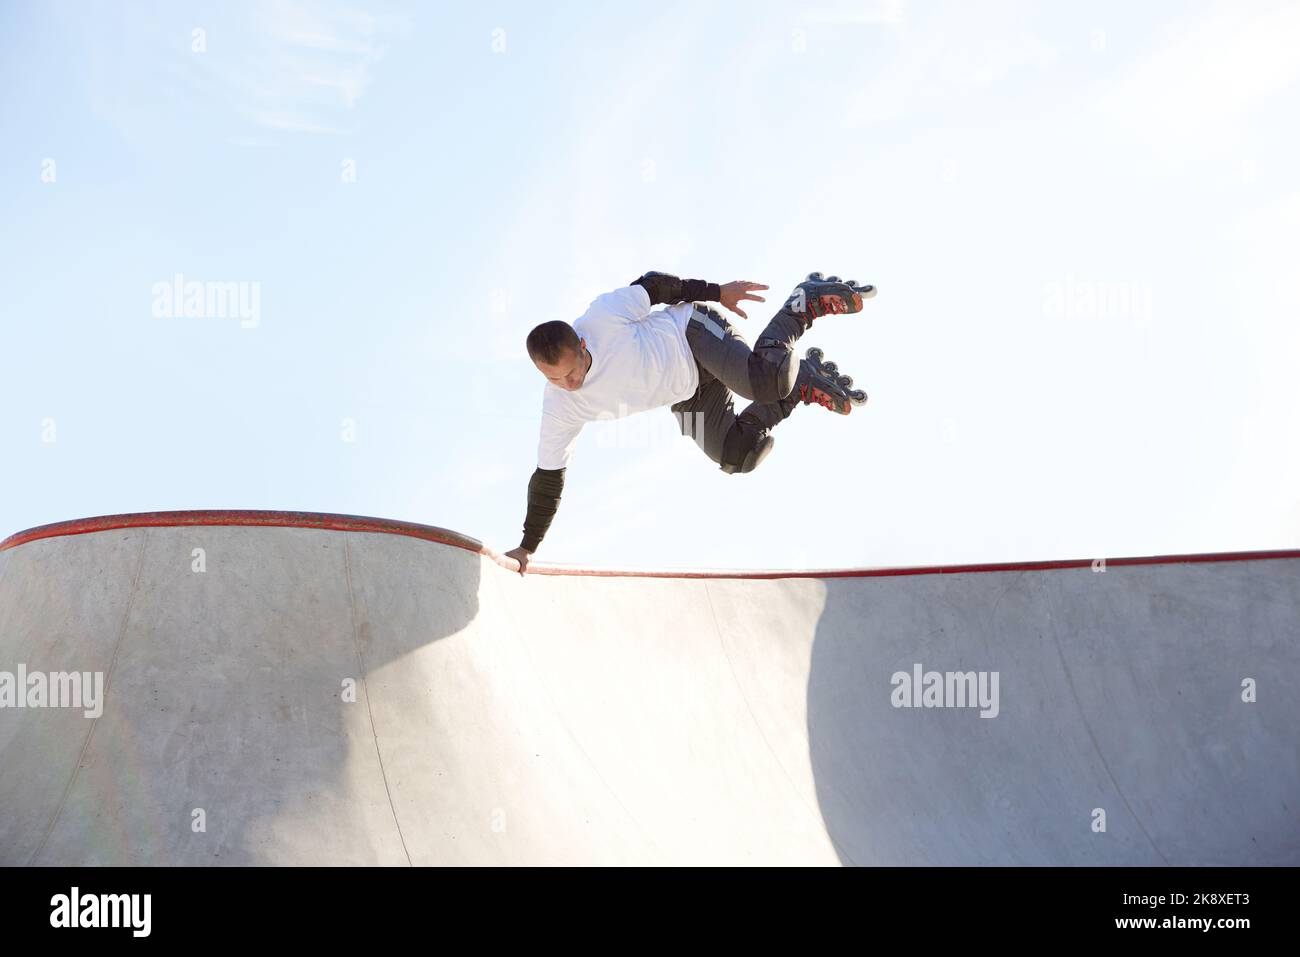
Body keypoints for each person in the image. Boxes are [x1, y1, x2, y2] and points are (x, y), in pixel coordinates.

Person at [504, 270, 875, 574]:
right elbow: (549, 477)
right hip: (687, 393)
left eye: (572, 372)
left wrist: (718, 292)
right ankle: (803, 381)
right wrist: (527, 546)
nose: (570, 384)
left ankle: (803, 304)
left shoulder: (602, 317)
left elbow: (656, 286)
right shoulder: (559, 407)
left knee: (763, 381)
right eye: (555, 379)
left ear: (582, 345)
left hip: (693, 334)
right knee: (736, 456)